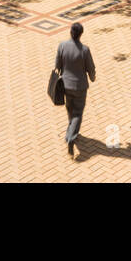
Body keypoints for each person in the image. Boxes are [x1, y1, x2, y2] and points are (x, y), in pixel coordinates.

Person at [55, 22, 96, 159]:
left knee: (70, 108)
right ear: (81, 34)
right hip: (80, 86)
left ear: (71, 32)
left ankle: (71, 130)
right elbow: (90, 68)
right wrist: (92, 77)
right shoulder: (85, 50)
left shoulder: (62, 46)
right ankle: (71, 137)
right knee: (78, 113)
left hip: (66, 85)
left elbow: (57, 65)